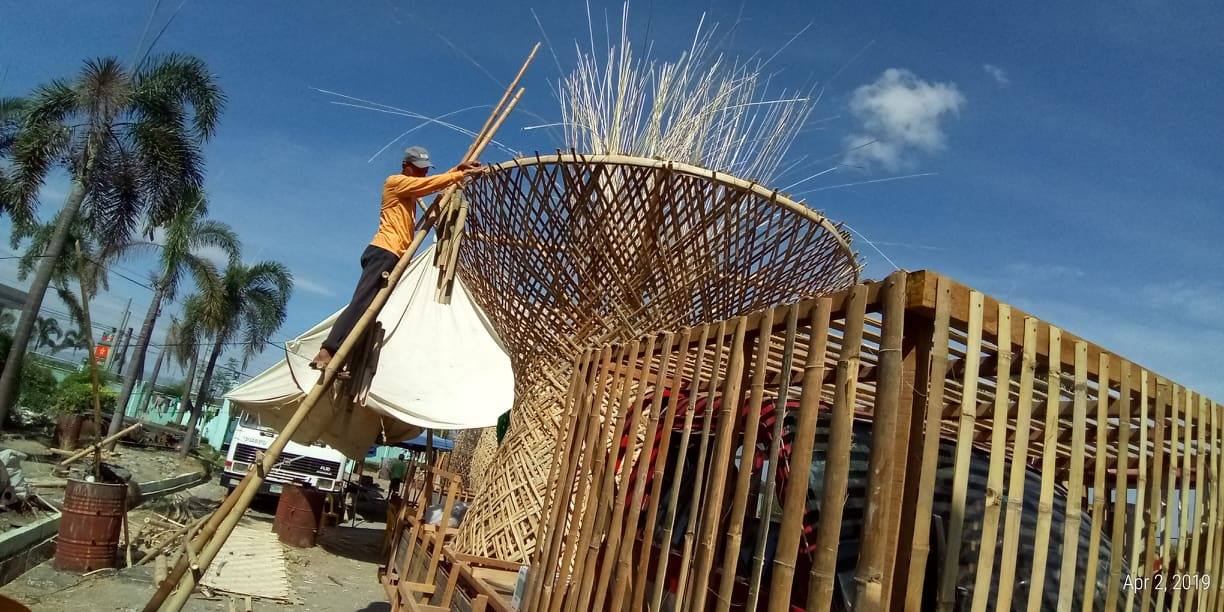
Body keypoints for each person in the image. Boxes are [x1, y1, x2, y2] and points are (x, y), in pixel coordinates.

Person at [311, 146, 484, 370]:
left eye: (425, 169)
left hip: (392, 254)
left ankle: (346, 359)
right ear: (406, 167)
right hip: (384, 250)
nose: (423, 172)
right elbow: (427, 185)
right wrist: (459, 175)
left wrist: (457, 170)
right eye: (418, 168)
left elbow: (428, 183)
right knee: (362, 303)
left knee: (371, 309)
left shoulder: (409, 188)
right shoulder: (394, 182)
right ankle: (328, 350)